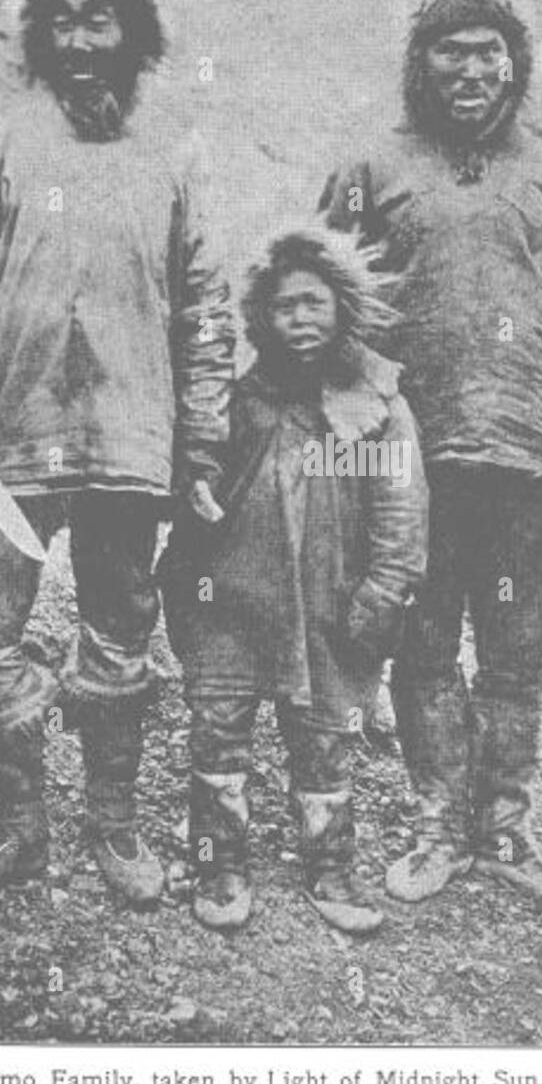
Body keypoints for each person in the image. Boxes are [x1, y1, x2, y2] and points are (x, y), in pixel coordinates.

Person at [0, 0, 234, 903]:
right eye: (65, 23)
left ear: (133, 37)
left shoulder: (172, 153)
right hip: (9, 441)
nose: (83, 42)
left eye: (102, 23)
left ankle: (115, 828)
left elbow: (205, 308)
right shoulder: (6, 140)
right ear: (41, 40)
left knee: (119, 629)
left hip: (129, 442)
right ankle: (17, 831)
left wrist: (204, 440)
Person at [321, 0, 542, 909]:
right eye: (452, 48)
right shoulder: (373, 166)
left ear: (515, 62)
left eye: (490, 49)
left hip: (520, 456)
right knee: (425, 644)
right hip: (412, 459)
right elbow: (328, 301)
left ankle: (505, 827)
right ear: (420, 63)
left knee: (516, 651)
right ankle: (439, 823)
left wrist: (498, 375)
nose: (472, 67)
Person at [160, 226, 428, 934]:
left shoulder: (375, 406)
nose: (301, 319)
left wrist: (378, 597)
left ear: (342, 306)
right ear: (261, 318)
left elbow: (400, 516)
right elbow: (192, 493)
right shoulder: (239, 401)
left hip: (329, 605)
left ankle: (330, 865)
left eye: (315, 303)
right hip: (231, 602)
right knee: (217, 730)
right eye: (284, 308)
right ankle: (219, 862)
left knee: (325, 736)